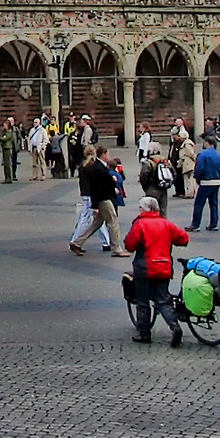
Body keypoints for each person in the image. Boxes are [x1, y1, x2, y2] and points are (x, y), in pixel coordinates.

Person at [124, 195, 189, 345]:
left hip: (145, 268)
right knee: (163, 301)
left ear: (144, 209)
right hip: (164, 267)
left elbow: (130, 245)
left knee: (143, 301)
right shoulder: (166, 223)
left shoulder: (140, 224)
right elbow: (183, 239)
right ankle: (174, 326)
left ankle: (144, 334)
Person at [71, 146, 125, 256]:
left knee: (96, 223)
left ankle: (77, 242)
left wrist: (112, 184)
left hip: (102, 198)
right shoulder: (98, 168)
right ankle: (117, 248)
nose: (109, 156)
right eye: (108, 154)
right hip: (104, 199)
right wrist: (95, 205)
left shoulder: (99, 166)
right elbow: (96, 188)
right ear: (103, 154)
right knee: (113, 222)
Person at [187, 135, 220, 232]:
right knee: (213, 203)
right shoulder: (217, 155)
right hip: (216, 181)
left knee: (199, 204)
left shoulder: (202, 155)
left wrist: (197, 178)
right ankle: (214, 223)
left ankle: (195, 224)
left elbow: (199, 168)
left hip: (205, 181)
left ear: (208, 143)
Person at [139, 144, 171, 218]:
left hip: (152, 187)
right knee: (163, 209)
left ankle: (152, 226)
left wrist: (145, 186)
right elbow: (173, 173)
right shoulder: (165, 160)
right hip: (163, 187)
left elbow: (144, 175)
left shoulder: (148, 162)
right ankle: (163, 225)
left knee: (150, 209)